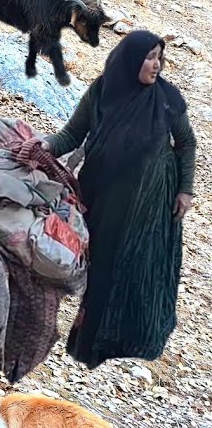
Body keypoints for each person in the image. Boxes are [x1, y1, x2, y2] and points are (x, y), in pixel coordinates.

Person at [21, 30, 196, 369]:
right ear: (131, 60)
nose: (157, 64)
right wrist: (45, 149)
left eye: (160, 57)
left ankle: (134, 340)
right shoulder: (104, 89)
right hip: (102, 193)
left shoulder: (167, 99)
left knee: (136, 268)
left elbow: (186, 143)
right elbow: (73, 132)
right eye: (150, 57)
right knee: (99, 263)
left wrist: (185, 189)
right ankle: (88, 341)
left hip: (150, 204)